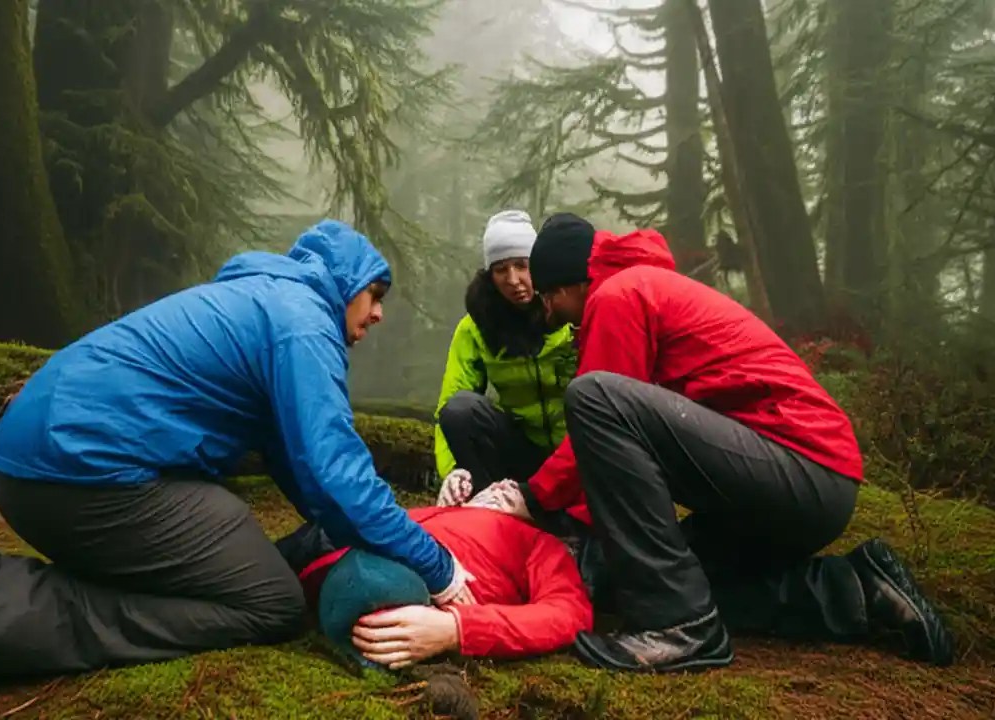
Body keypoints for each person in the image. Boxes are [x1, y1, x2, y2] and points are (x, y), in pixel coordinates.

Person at [0, 220, 476, 694]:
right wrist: (441, 568)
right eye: (374, 294)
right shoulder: (300, 322)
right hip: (78, 474)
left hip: (45, 463)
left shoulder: (263, 302)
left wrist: (332, 534)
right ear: (343, 283)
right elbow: (338, 470)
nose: (379, 313)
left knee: (227, 523)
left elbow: (303, 467)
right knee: (271, 606)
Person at [466, 213, 955, 673]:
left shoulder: (619, 295)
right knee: (674, 574)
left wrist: (529, 498)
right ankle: (860, 591)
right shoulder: (644, 289)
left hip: (803, 470)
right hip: (796, 483)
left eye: (551, 299)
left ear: (571, 283)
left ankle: (678, 626)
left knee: (593, 395)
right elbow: (617, 455)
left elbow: (603, 417)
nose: (551, 314)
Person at [276, 502, 593, 670]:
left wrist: (456, 629)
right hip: (335, 541)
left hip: (367, 575)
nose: (503, 490)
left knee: (372, 585)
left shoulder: (543, 546)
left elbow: (568, 615)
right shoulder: (468, 511)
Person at [433, 210, 577, 506]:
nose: (513, 280)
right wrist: (453, 471)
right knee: (460, 410)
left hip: (578, 455)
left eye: (522, 266)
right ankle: (490, 509)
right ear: (490, 276)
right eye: (501, 270)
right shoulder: (476, 326)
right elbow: (449, 402)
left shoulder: (569, 310)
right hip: (522, 456)